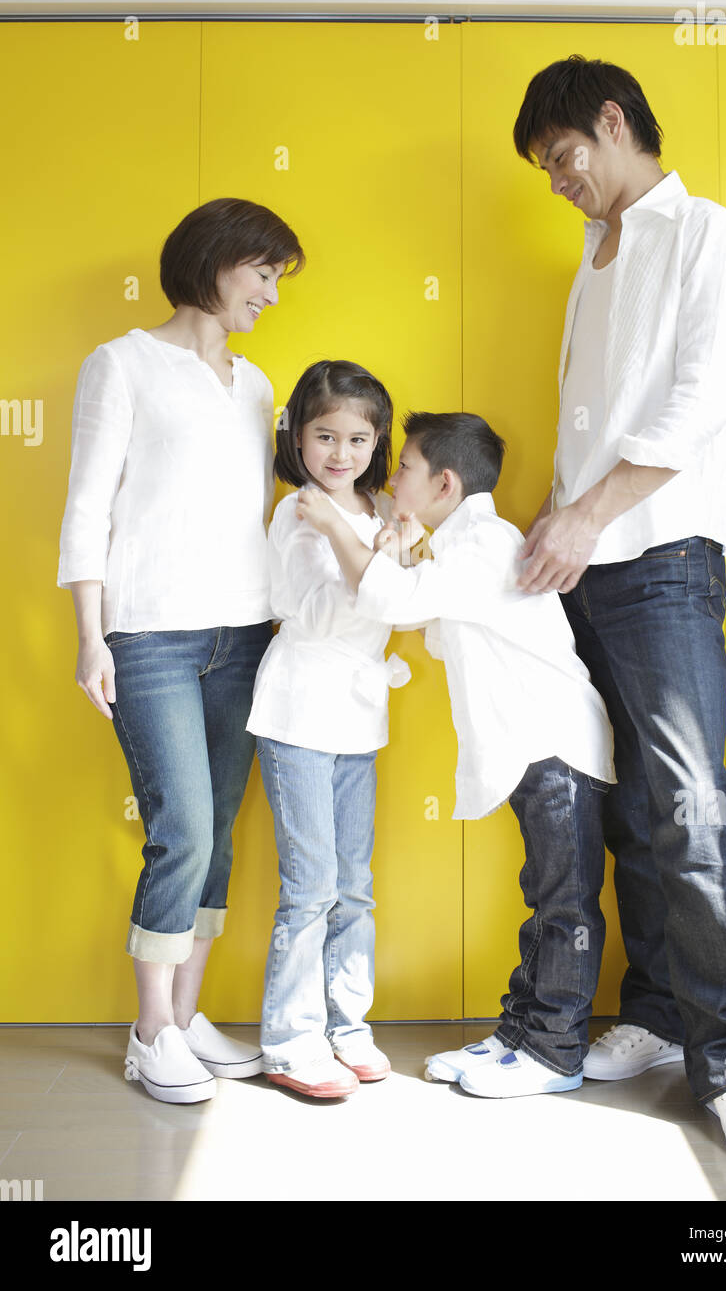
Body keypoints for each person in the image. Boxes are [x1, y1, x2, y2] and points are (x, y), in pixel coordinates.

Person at [511, 54, 726, 1158]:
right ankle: (655, 1014)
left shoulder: (705, 233)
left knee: (687, 806)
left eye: (560, 155)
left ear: (612, 121)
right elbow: (584, 427)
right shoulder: (591, 259)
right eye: (543, 167)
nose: (554, 181)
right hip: (586, 562)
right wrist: (548, 520)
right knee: (625, 807)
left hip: (663, 554)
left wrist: (585, 519)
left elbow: (696, 404)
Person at [58, 197, 304, 1103]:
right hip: (150, 636)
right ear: (216, 260)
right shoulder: (121, 363)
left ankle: (189, 1018)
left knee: (221, 840)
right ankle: (149, 1032)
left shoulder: (258, 385)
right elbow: (88, 506)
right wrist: (91, 637)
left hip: (244, 635)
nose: (273, 295)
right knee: (183, 830)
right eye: (265, 273)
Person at [296, 411, 616, 1098]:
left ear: (443, 482)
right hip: (536, 745)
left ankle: (555, 1051)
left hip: (553, 743)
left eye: (402, 467)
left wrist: (331, 525)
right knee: (546, 896)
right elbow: (431, 626)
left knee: (563, 905)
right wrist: (412, 552)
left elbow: (392, 601)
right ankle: (522, 1034)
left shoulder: (487, 543)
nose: (391, 476)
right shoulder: (465, 546)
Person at [247, 359, 411, 1101]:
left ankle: (348, 1024)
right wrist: (376, 570)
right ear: (298, 438)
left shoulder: (378, 515)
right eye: (324, 436)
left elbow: (402, 608)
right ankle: (289, 1039)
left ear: (378, 443)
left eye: (358, 438)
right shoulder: (297, 512)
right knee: (310, 887)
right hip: (298, 711)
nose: (340, 454)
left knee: (355, 887)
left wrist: (380, 560)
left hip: (358, 718)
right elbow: (307, 614)